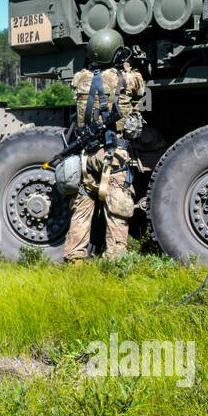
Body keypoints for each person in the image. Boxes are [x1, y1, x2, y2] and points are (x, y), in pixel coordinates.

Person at [62, 28, 146, 262]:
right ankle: (115, 263)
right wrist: (127, 65)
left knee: (80, 211)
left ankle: (74, 260)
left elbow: (91, 81)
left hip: (85, 155)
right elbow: (140, 86)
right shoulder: (127, 79)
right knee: (117, 212)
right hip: (114, 155)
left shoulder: (79, 78)